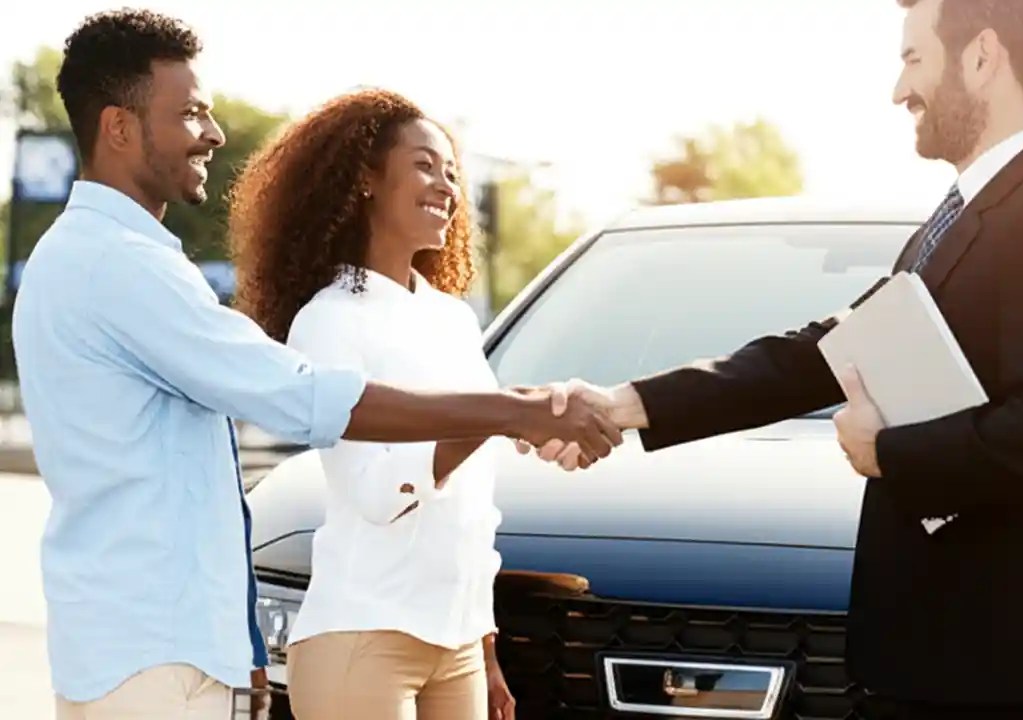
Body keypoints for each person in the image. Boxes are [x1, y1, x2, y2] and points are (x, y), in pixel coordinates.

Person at [524, 0, 1023, 718]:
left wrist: (889, 452)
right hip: (934, 667)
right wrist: (628, 404)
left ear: (982, 56)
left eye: (913, 59)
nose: (898, 90)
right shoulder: (968, 215)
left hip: (1002, 677)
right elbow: (825, 352)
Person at [11, 10, 618, 720]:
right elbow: (305, 399)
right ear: (119, 126)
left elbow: (186, 487)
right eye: (192, 114)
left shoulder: (94, 258)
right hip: (154, 658)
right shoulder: (122, 268)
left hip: (153, 646)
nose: (212, 133)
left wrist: (240, 648)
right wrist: (513, 410)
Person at [227, 89, 514, 720]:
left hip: (458, 645)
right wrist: (497, 414)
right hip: (362, 636)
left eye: (452, 173)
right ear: (364, 180)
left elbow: (473, 511)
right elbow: (379, 491)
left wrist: (486, 650)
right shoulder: (328, 320)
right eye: (424, 165)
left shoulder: (454, 320)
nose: (446, 185)